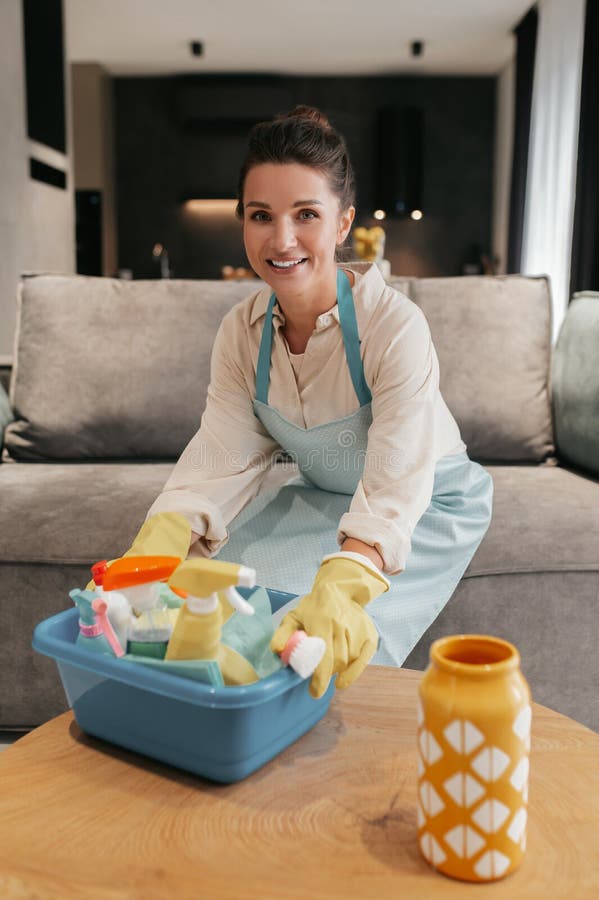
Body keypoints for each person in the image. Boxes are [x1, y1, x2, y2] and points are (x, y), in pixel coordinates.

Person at [127, 106, 493, 699]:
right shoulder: (242, 333)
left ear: (343, 222)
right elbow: (221, 455)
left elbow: (396, 478)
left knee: (296, 638)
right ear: (242, 223)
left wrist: (345, 583)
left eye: (306, 215)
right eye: (261, 216)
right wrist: (162, 539)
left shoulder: (393, 326)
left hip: (424, 502)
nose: (282, 240)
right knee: (213, 599)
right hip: (323, 492)